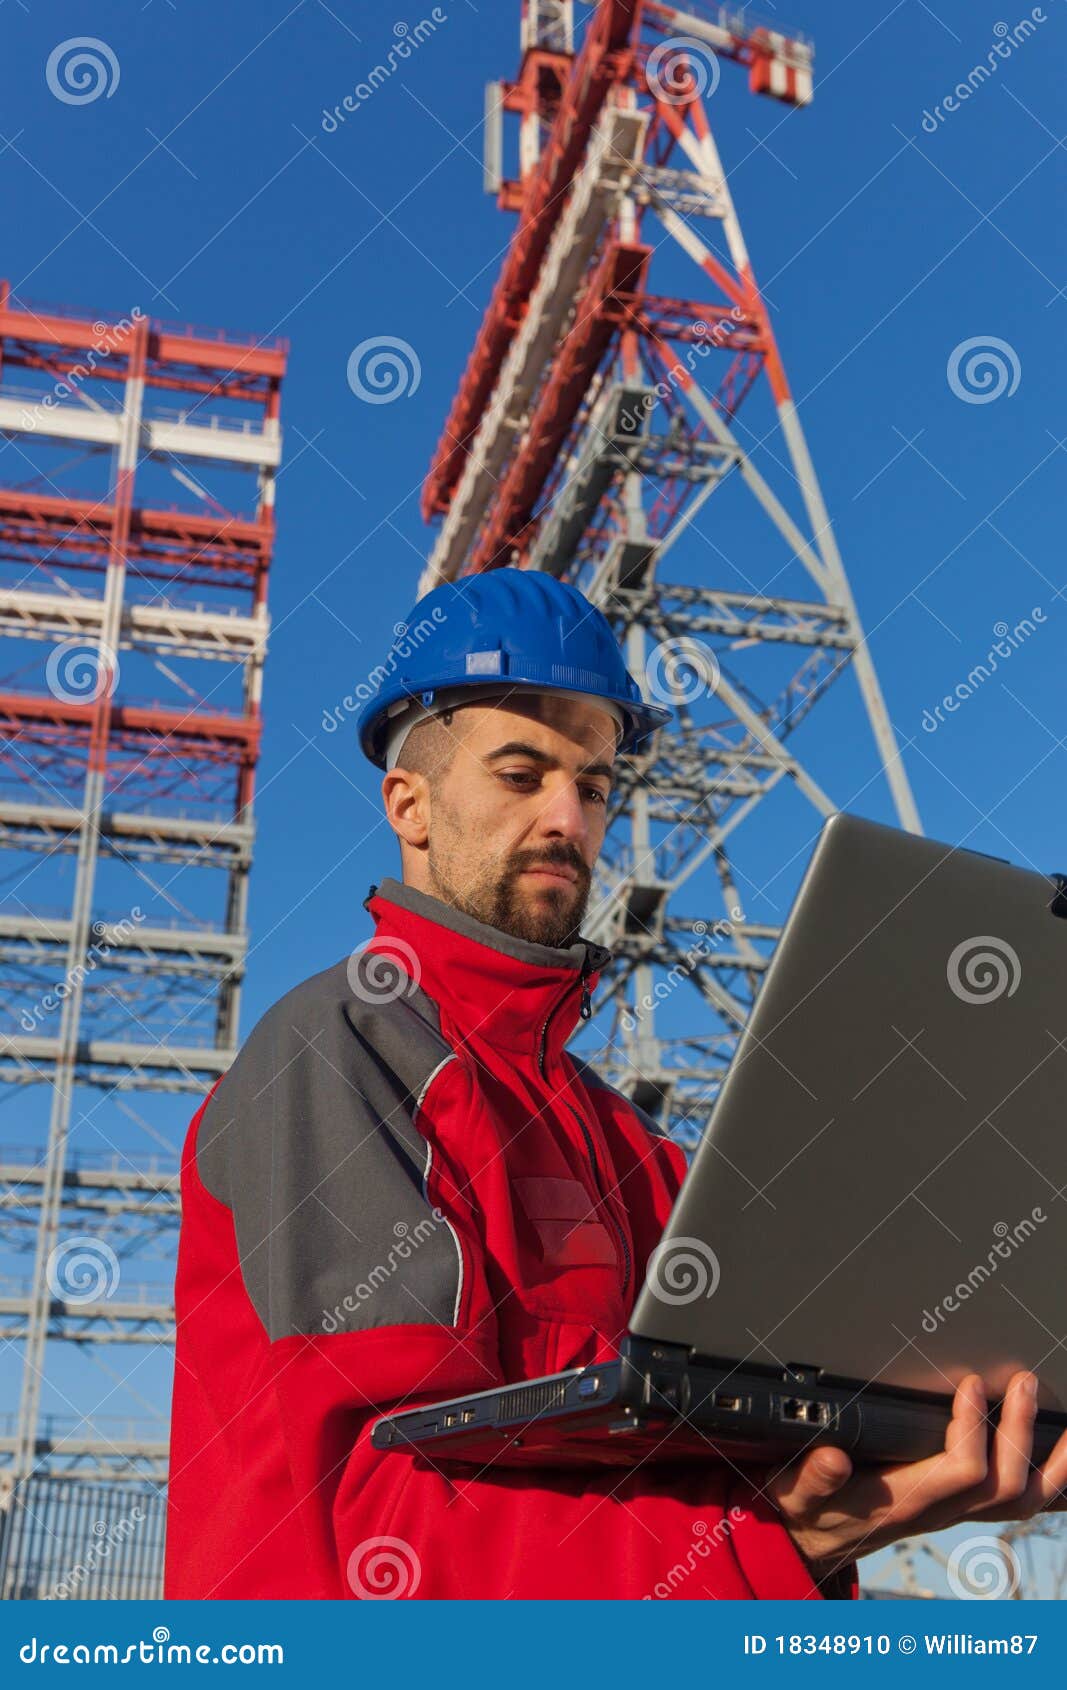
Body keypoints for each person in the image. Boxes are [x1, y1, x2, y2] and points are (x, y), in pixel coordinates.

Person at [164, 569, 1067, 1601]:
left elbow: (709, 1455)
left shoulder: (630, 1147)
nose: (568, 818)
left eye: (592, 785)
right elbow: (378, 1530)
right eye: (519, 773)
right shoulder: (335, 1057)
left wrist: (894, 1455)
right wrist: (767, 1545)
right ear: (407, 804)